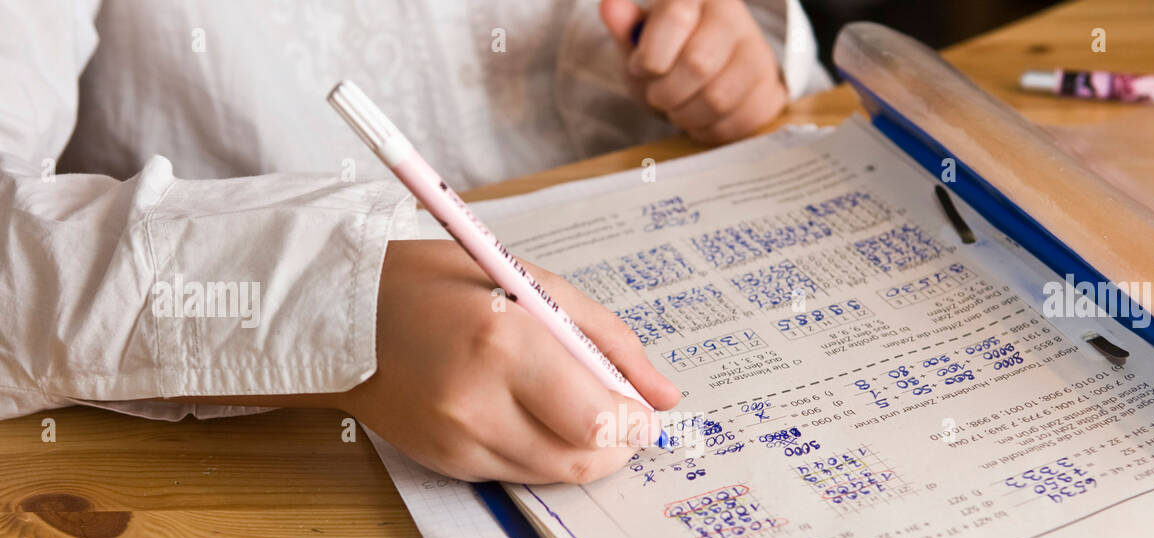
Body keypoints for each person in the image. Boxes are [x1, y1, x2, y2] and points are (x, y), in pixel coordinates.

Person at [0, 0, 830, 483]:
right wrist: (335, 301)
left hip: (696, 247)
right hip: (279, 461)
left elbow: (735, 41)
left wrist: (737, 57)